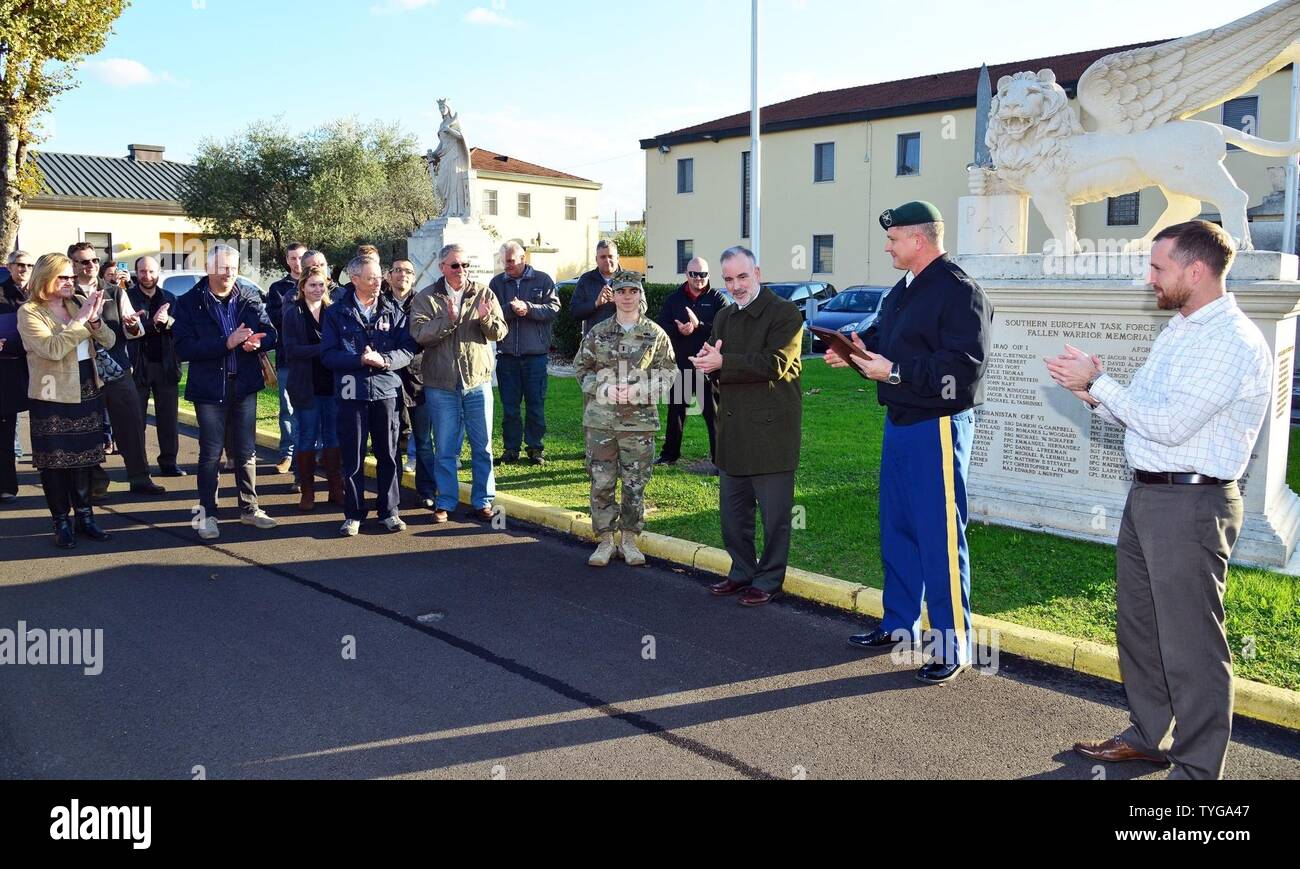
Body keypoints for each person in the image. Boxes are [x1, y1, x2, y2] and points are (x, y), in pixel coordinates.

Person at [1046, 221, 1272, 780]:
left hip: (1192, 506)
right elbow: (1143, 412)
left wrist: (1100, 383)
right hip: (1151, 495)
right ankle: (1149, 737)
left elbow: (1170, 425)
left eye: (1157, 268)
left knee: (1191, 644)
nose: (1150, 279)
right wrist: (1093, 392)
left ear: (1196, 270)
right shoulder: (1181, 329)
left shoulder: (1232, 341)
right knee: (1142, 629)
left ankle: (1196, 769)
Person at [828, 202, 992, 685]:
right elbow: (886, 338)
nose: (887, 247)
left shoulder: (960, 292)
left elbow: (964, 368)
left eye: (893, 238)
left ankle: (952, 646)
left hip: (937, 426)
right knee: (898, 529)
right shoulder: (904, 288)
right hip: (900, 422)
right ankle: (899, 626)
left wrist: (896, 372)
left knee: (939, 537)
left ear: (919, 240)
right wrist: (856, 350)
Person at [691, 246, 803, 607]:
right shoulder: (724, 316)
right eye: (728, 279)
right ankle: (741, 572)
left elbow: (776, 364)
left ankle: (769, 580)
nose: (735, 286)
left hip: (771, 435)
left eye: (742, 276)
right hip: (733, 432)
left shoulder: (785, 313)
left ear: (757, 273)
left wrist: (723, 362)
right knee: (733, 516)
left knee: (775, 519)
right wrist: (707, 363)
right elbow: (717, 362)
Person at [172, 244, 279, 540]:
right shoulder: (188, 302)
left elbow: (272, 332)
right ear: (208, 269)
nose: (228, 274)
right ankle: (207, 514)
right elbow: (183, 348)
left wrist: (260, 342)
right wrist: (226, 343)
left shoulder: (249, 296)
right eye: (222, 268)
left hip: (245, 384)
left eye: (233, 268)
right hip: (209, 389)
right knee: (211, 453)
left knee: (246, 451)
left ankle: (250, 508)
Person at [574, 271, 676, 567]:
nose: (627, 297)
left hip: (638, 423)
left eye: (633, 291)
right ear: (613, 296)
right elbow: (581, 368)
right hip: (601, 421)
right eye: (621, 291)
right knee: (601, 482)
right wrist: (603, 388)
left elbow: (669, 372)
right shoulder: (598, 332)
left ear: (640, 295)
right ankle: (605, 541)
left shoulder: (655, 334)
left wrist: (641, 390)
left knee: (635, 483)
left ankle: (629, 539)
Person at [17, 254, 114, 547]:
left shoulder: (76, 303)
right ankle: (61, 522)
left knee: (84, 459)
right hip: (51, 394)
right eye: (63, 277)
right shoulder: (29, 312)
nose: (70, 282)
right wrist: (81, 320)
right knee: (55, 463)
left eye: (72, 277)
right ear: (45, 277)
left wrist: (94, 320)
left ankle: (85, 517)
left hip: (86, 388)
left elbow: (109, 340)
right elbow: (53, 349)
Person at [410, 243, 507, 524]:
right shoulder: (426, 297)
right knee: (445, 449)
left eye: (465, 265)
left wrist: (486, 318)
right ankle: (445, 502)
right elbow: (419, 334)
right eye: (455, 265)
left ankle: (483, 501)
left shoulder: (484, 293)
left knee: (483, 447)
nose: (461, 270)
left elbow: (500, 332)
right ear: (442, 267)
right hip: (441, 386)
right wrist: (448, 319)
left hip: (477, 383)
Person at [321, 256, 419, 536]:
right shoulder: (336, 313)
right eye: (371, 278)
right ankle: (353, 514)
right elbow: (328, 355)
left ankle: (389, 512)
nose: (378, 282)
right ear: (354, 280)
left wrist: (384, 360)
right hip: (351, 392)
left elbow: (408, 349)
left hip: (386, 391)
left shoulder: (393, 310)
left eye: (379, 276)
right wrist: (359, 360)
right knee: (352, 456)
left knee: (389, 454)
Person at [68, 242, 165, 498]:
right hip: (82, 370)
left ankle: (140, 478)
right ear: (73, 264)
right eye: (84, 261)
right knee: (86, 428)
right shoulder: (66, 293)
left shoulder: (115, 291)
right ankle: (94, 482)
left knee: (131, 424)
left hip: (118, 368)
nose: (91, 265)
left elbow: (135, 332)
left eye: (94, 260)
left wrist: (132, 325)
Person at [490, 241, 559, 466]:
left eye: (510, 261)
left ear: (523, 258)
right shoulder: (497, 283)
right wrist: (511, 309)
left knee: (535, 406)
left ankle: (535, 448)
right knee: (510, 408)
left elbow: (553, 309)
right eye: (504, 261)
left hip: (535, 356)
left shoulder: (543, 280)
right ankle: (511, 449)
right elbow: (491, 313)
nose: (506, 265)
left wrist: (529, 308)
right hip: (507, 356)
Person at [655, 256, 726, 467]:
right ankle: (669, 455)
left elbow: (725, 329)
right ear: (686, 274)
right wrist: (678, 329)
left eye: (703, 274)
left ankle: (720, 459)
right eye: (694, 274)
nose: (698, 278)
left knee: (714, 415)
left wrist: (699, 325)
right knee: (675, 412)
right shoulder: (674, 299)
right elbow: (660, 327)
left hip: (708, 367)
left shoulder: (717, 299)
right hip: (681, 366)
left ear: (709, 275)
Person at [282, 265, 342, 511]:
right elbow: (291, 350)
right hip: (305, 386)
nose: (318, 289)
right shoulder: (293, 313)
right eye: (312, 285)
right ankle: (307, 491)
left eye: (321, 285)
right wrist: (323, 350)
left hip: (332, 384)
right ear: (303, 287)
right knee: (307, 436)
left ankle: (336, 489)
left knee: (333, 436)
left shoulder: (335, 311)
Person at [126, 256, 185, 477]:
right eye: (142, 271)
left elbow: (181, 328)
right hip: (137, 365)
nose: (147, 276)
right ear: (136, 272)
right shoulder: (127, 298)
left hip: (166, 365)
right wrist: (153, 323)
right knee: (136, 421)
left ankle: (169, 463)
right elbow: (127, 329)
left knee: (168, 419)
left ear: (158, 272)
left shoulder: (170, 298)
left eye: (151, 271)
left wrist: (167, 321)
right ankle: (139, 469)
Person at [386, 258, 437, 509]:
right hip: (387, 380)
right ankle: (392, 493)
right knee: (392, 441)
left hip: (419, 379)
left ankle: (426, 490)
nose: (402, 275)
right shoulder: (380, 302)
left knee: (423, 440)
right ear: (389, 276)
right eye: (397, 270)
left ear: (414, 277)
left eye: (408, 271)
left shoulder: (423, 302)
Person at [266, 242, 308, 479]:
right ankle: (288, 454)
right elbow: (276, 320)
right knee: (287, 408)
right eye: (293, 258)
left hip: (315, 358)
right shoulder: (278, 289)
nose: (297, 262)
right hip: (287, 356)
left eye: (301, 257)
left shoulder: (320, 285)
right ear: (287, 260)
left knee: (316, 406)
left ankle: (313, 452)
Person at [1, 250, 34, 503]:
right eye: (20, 265)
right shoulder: (1, 293)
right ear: (9, 266)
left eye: (29, 265)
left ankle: (55, 478)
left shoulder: (40, 292)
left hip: (40, 365)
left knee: (47, 422)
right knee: (5, 428)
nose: (24, 269)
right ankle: (6, 485)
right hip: (8, 367)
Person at [569, 239, 620, 334]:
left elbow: (641, 308)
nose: (607, 260)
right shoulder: (586, 279)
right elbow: (574, 311)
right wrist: (595, 304)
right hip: (594, 340)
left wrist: (617, 301)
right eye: (603, 257)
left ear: (617, 258)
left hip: (623, 339)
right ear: (596, 259)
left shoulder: (628, 279)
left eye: (610, 256)